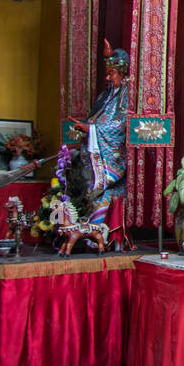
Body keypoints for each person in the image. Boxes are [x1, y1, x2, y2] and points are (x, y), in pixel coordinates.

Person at [65, 39, 132, 250]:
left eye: (112, 73)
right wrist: (85, 127)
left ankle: (96, 237)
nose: (108, 77)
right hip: (96, 151)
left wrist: (91, 130)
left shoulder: (126, 95)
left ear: (122, 72)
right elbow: (97, 119)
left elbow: (120, 125)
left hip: (112, 156)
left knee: (100, 195)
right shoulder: (107, 95)